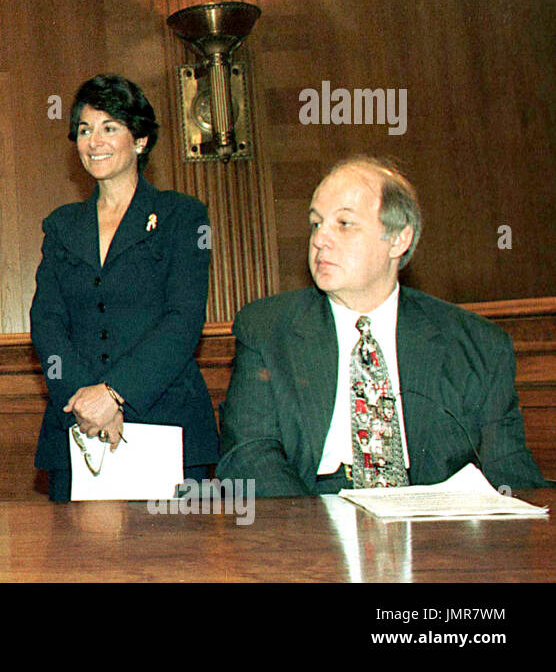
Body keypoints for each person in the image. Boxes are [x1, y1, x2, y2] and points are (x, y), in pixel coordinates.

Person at [217, 157, 548, 496]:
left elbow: (508, 470)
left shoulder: (478, 345)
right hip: (312, 509)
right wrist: (315, 538)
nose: (320, 240)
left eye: (344, 223)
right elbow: (249, 455)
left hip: (436, 523)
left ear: (398, 239)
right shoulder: (268, 329)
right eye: (316, 224)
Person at [30, 74, 218, 501]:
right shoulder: (61, 226)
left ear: (141, 140)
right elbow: (46, 321)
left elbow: (183, 321)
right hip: (76, 428)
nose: (94, 141)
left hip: (166, 423)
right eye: (84, 129)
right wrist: (87, 403)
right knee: (77, 566)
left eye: (109, 127)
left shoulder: (182, 217)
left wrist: (116, 395)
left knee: (168, 568)